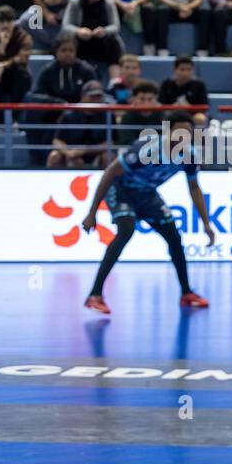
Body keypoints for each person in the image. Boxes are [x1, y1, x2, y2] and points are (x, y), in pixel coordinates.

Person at [80, 110, 215, 314]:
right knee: (126, 230)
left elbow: (194, 188)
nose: (183, 137)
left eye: (188, 133)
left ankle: (187, 293)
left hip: (147, 195)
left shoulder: (189, 156)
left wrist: (206, 223)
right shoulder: (147, 149)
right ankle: (95, 295)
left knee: (174, 238)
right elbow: (110, 173)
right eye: (179, 132)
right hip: (121, 189)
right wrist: (92, 213)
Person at [61, 0, 124, 73]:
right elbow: (66, 25)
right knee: (69, 45)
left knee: (112, 43)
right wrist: (78, 31)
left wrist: (105, 31)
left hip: (103, 44)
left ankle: (115, 81)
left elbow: (115, 26)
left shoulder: (109, 4)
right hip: (81, 42)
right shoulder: (74, 3)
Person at [48, 78, 113, 169]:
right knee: (54, 156)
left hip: (97, 154)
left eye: (99, 96)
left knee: (108, 156)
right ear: (83, 97)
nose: (96, 100)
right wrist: (68, 153)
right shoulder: (69, 114)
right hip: (71, 154)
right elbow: (57, 140)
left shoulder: (108, 115)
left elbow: (110, 143)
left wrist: (85, 150)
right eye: (92, 96)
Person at [0, 7, 32, 117]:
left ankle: (15, 120)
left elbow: (22, 59)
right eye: (2, 21)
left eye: (9, 21)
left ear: (14, 22)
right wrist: (1, 47)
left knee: (20, 73)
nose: (5, 25)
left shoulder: (23, 37)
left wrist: (2, 65)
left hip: (15, 77)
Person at [158, 54, 209, 125]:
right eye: (182, 69)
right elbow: (161, 105)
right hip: (170, 116)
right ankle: (166, 135)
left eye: (188, 69)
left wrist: (189, 108)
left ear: (193, 70)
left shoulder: (199, 85)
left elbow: (204, 107)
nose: (185, 73)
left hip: (192, 116)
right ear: (175, 70)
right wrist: (174, 108)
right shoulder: (166, 84)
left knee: (200, 118)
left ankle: (198, 136)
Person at [117, 78, 161, 143]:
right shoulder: (127, 117)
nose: (146, 103)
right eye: (142, 99)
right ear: (134, 99)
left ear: (156, 99)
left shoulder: (163, 116)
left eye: (150, 99)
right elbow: (126, 140)